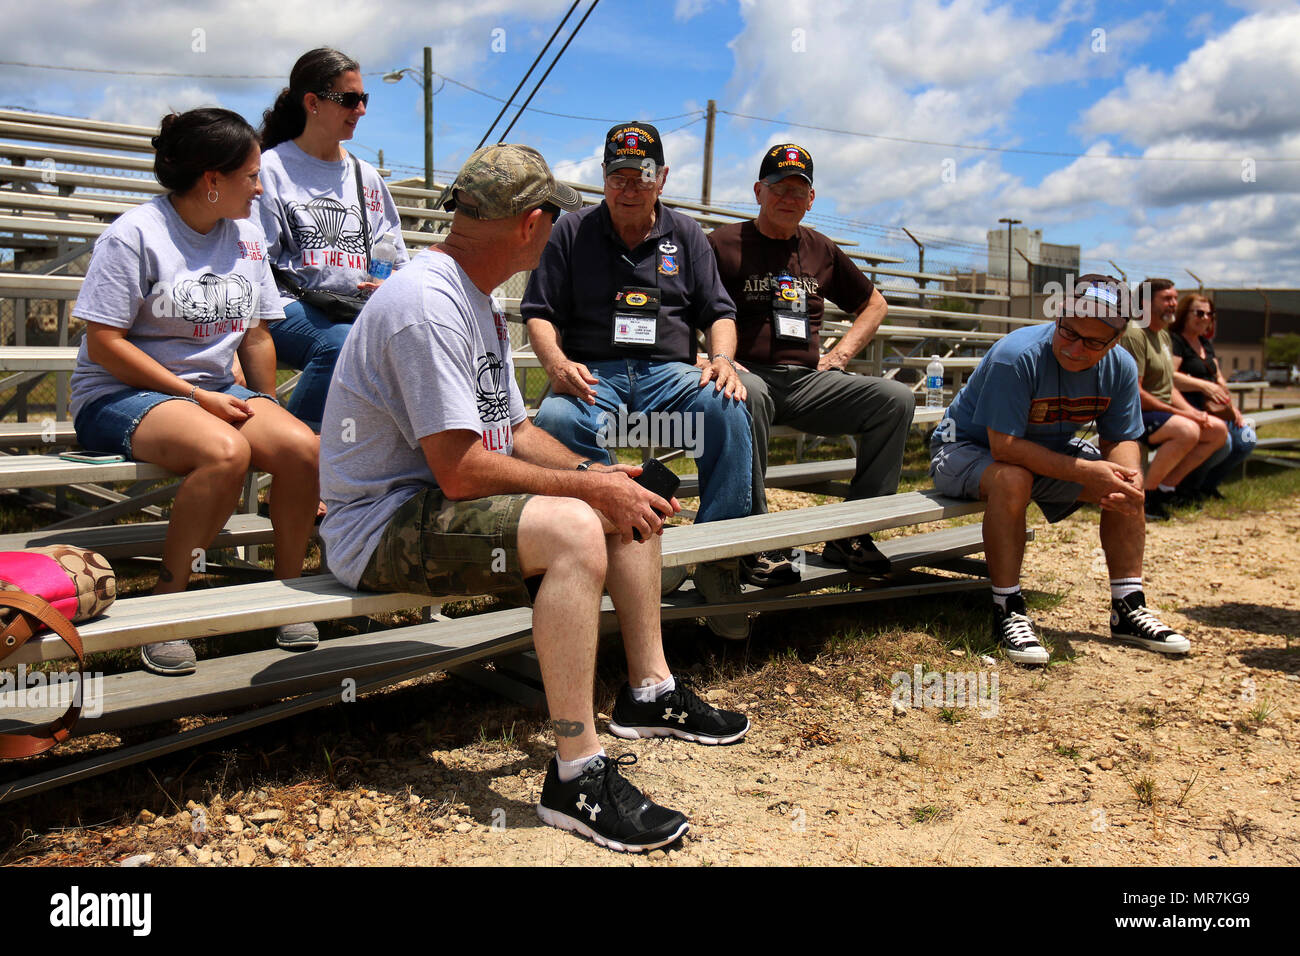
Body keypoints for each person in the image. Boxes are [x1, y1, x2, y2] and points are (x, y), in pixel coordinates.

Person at [318, 144, 750, 854]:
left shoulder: (475, 296)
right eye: (552, 216)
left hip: (435, 507)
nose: (558, 228)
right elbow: (460, 470)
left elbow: (513, 431)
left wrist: (600, 474)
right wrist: (585, 489)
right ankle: (576, 773)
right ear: (529, 223)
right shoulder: (427, 305)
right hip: (381, 525)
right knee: (578, 524)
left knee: (624, 491)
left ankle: (648, 690)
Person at [69, 109, 322, 676]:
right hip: (116, 394)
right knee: (225, 453)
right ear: (212, 181)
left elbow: (257, 333)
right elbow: (106, 345)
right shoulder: (134, 234)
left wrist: (266, 404)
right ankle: (171, 602)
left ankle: (285, 592)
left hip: (211, 390)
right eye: (252, 176)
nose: (261, 188)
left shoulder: (249, 237)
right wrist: (194, 395)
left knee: (302, 448)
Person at [520, 122, 755, 639]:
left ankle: (718, 561)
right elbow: (538, 311)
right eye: (617, 175)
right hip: (593, 372)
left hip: (667, 372)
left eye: (641, 175)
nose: (628, 187)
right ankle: (601, 549)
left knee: (728, 405)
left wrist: (721, 360)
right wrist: (556, 364)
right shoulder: (571, 229)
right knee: (556, 417)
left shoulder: (687, 233)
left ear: (662, 177)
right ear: (603, 177)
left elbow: (719, 310)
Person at [930, 274, 1190, 664]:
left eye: (1091, 342)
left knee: (1125, 482)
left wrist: (1127, 481)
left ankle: (1128, 606)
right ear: (1060, 317)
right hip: (964, 449)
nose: (1073, 347)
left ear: (1115, 341)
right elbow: (1005, 447)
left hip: (1041, 450)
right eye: (1068, 331)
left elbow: (1121, 439)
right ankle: (1008, 608)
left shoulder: (1119, 365)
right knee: (1014, 477)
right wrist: (1088, 473)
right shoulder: (1016, 356)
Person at [709, 143, 915, 585]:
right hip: (747, 376)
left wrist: (839, 355)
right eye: (778, 187)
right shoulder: (722, 244)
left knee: (895, 399)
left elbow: (874, 304)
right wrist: (710, 358)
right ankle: (755, 541)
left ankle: (854, 534)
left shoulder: (821, 249)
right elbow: (683, 305)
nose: (788, 198)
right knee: (751, 392)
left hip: (806, 381)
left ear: (811, 199)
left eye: (798, 190)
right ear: (758, 191)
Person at [256, 47, 409, 430]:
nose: (361, 110)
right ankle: (297, 459)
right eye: (350, 99)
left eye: (364, 99)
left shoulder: (366, 176)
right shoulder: (270, 169)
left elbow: (394, 252)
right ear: (313, 102)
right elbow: (253, 260)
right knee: (341, 344)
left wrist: (385, 284)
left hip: (355, 309)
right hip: (287, 306)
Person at [1119, 279, 1227, 519]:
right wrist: (1184, 415)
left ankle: (1167, 488)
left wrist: (1192, 411)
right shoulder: (1135, 334)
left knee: (1217, 430)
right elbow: (1135, 393)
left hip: (1160, 411)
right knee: (1187, 430)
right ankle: (1146, 497)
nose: (1173, 304)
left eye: (1175, 299)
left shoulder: (1164, 336)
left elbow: (1168, 388)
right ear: (1146, 302)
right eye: (1167, 299)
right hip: (1135, 413)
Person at [1170, 293, 1255, 496]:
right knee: (1223, 444)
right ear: (1185, 314)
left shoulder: (1205, 344)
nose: (1206, 318)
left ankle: (1208, 485)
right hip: (1188, 405)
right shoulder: (1175, 341)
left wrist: (1231, 407)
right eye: (1200, 313)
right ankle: (1185, 487)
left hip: (1215, 407)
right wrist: (1203, 386)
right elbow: (1170, 377)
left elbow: (1219, 379)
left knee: (1246, 439)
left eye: (1210, 314)